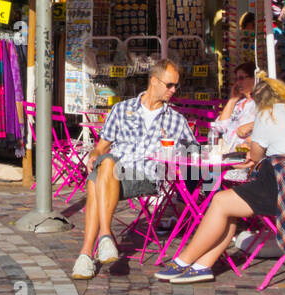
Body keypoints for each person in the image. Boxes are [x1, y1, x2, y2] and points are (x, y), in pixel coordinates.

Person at [156, 77, 285, 284]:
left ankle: (183, 261)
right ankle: (203, 265)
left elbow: (256, 156)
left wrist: (253, 144)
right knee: (229, 205)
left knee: (220, 201)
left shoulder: (269, 113)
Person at [72, 59, 195, 280]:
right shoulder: (121, 109)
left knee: (96, 179)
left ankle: (88, 252)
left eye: (176, 86)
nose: (174, 90)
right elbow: (101, 146)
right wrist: (93, 155)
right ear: (154, 81)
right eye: (169, 85)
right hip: (114, 172)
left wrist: (176, 157)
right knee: (104, 166)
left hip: (147, 175)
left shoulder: (176, 120)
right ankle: (102, 241)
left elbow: (192, 154)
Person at [209, 62, 258, 155]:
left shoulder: (261, 104)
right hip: (227, 154)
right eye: (236, 79)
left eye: (241, 78)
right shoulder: (239, 104)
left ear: (254, 79)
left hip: (244, 155)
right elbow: (219, 127)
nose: (238, 83)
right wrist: (232, 100)